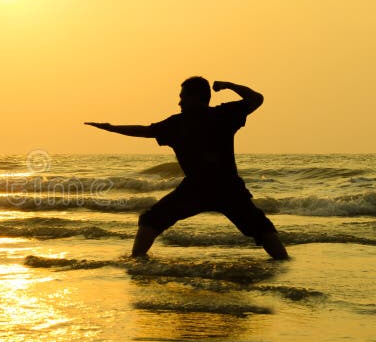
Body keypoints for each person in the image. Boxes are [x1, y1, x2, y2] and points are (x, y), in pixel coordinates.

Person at [86, 77, 288, 260]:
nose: (179, 102)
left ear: (196, 97)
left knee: (151, 220)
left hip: (207, 189)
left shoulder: (184, 122)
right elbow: (256, 98)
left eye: (182, 97)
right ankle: (284, 262)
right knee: (261, 227)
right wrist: (229, 86)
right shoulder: (223, 115)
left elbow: (144, 131)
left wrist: (110, 128)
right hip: (215, 188)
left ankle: (136, 260)